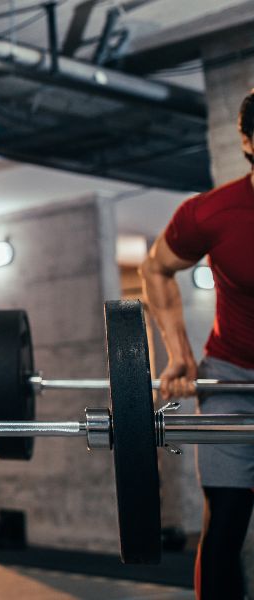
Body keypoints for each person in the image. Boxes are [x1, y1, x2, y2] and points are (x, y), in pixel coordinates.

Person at [139, 89, 254, 600]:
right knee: (226, 519)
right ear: (248, 142)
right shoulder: (212, 213)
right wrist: (179, 353)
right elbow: (157, 267)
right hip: (232, 376)